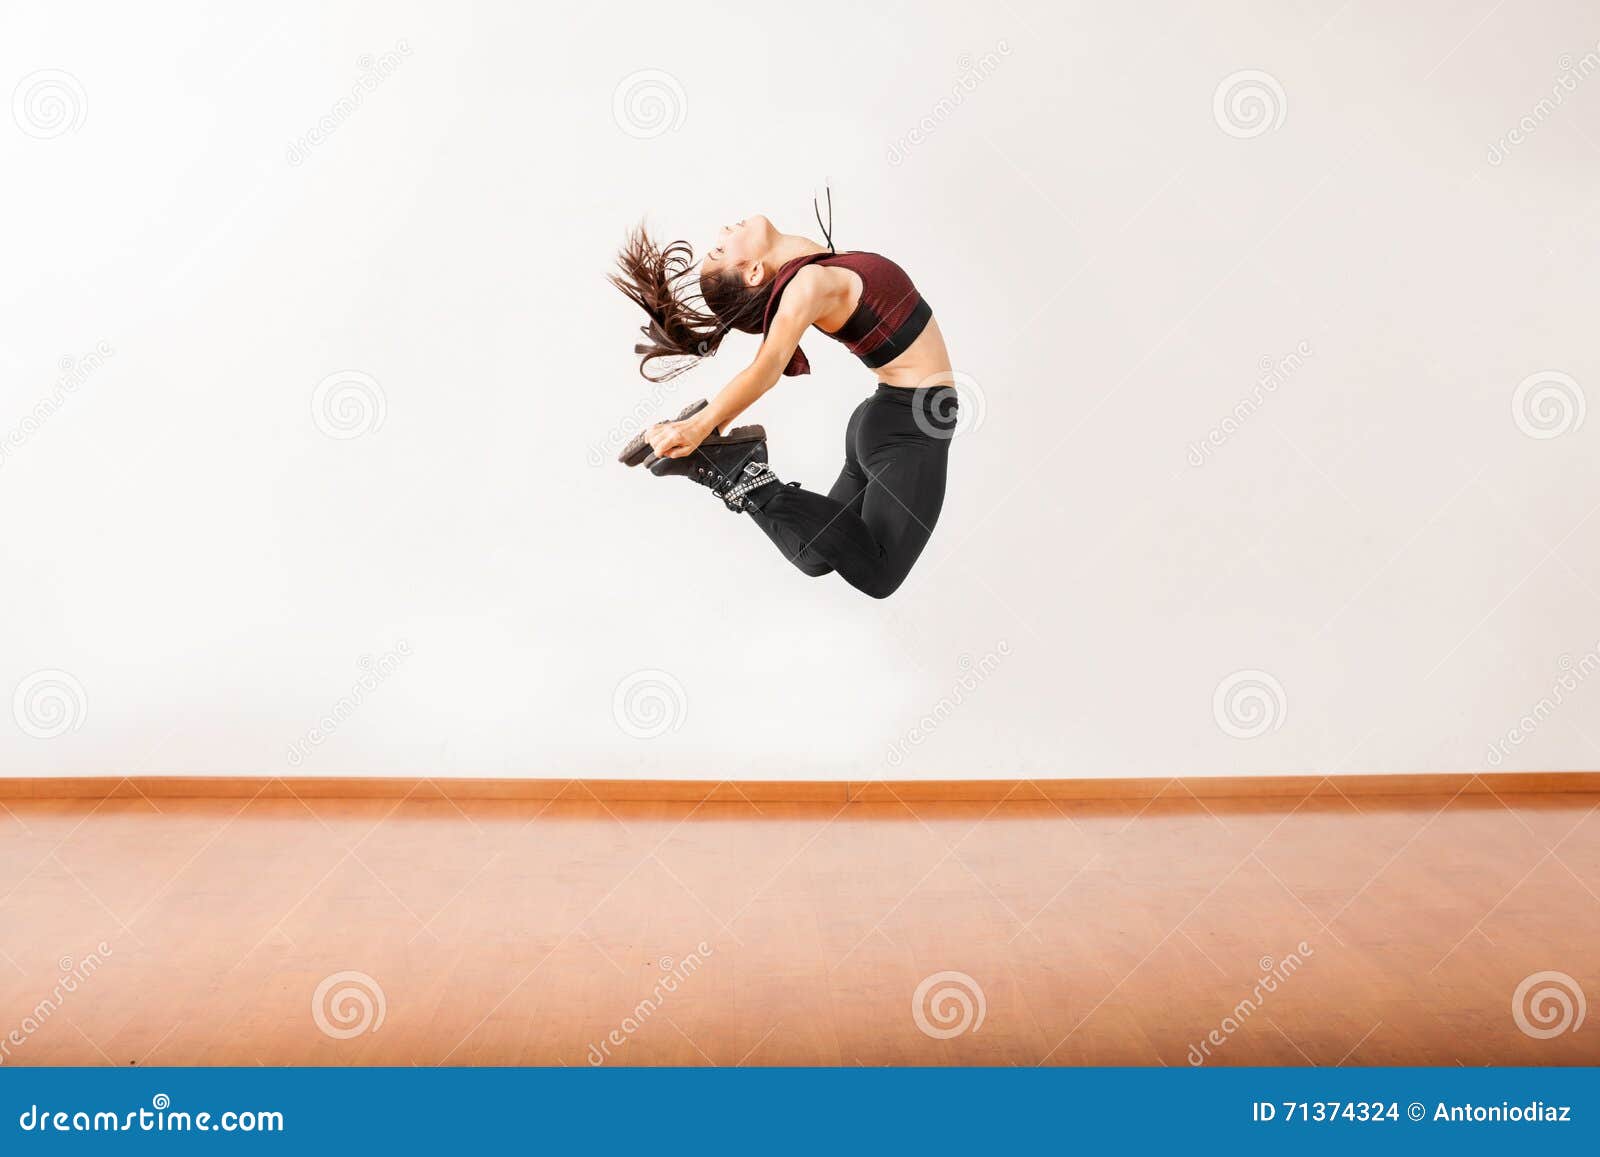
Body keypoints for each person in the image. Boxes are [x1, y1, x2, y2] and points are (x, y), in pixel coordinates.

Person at [610, 204, 958, 599]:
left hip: (885, 418)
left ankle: (741, 472)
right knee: (880, 575)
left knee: (813, 555)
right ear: (753, 271)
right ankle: (741, 477)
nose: (724, 230)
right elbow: (769, 364)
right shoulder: (810, 283)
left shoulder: (815, 267)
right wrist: (700, 424)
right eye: (721, 250)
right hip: (910, 424)